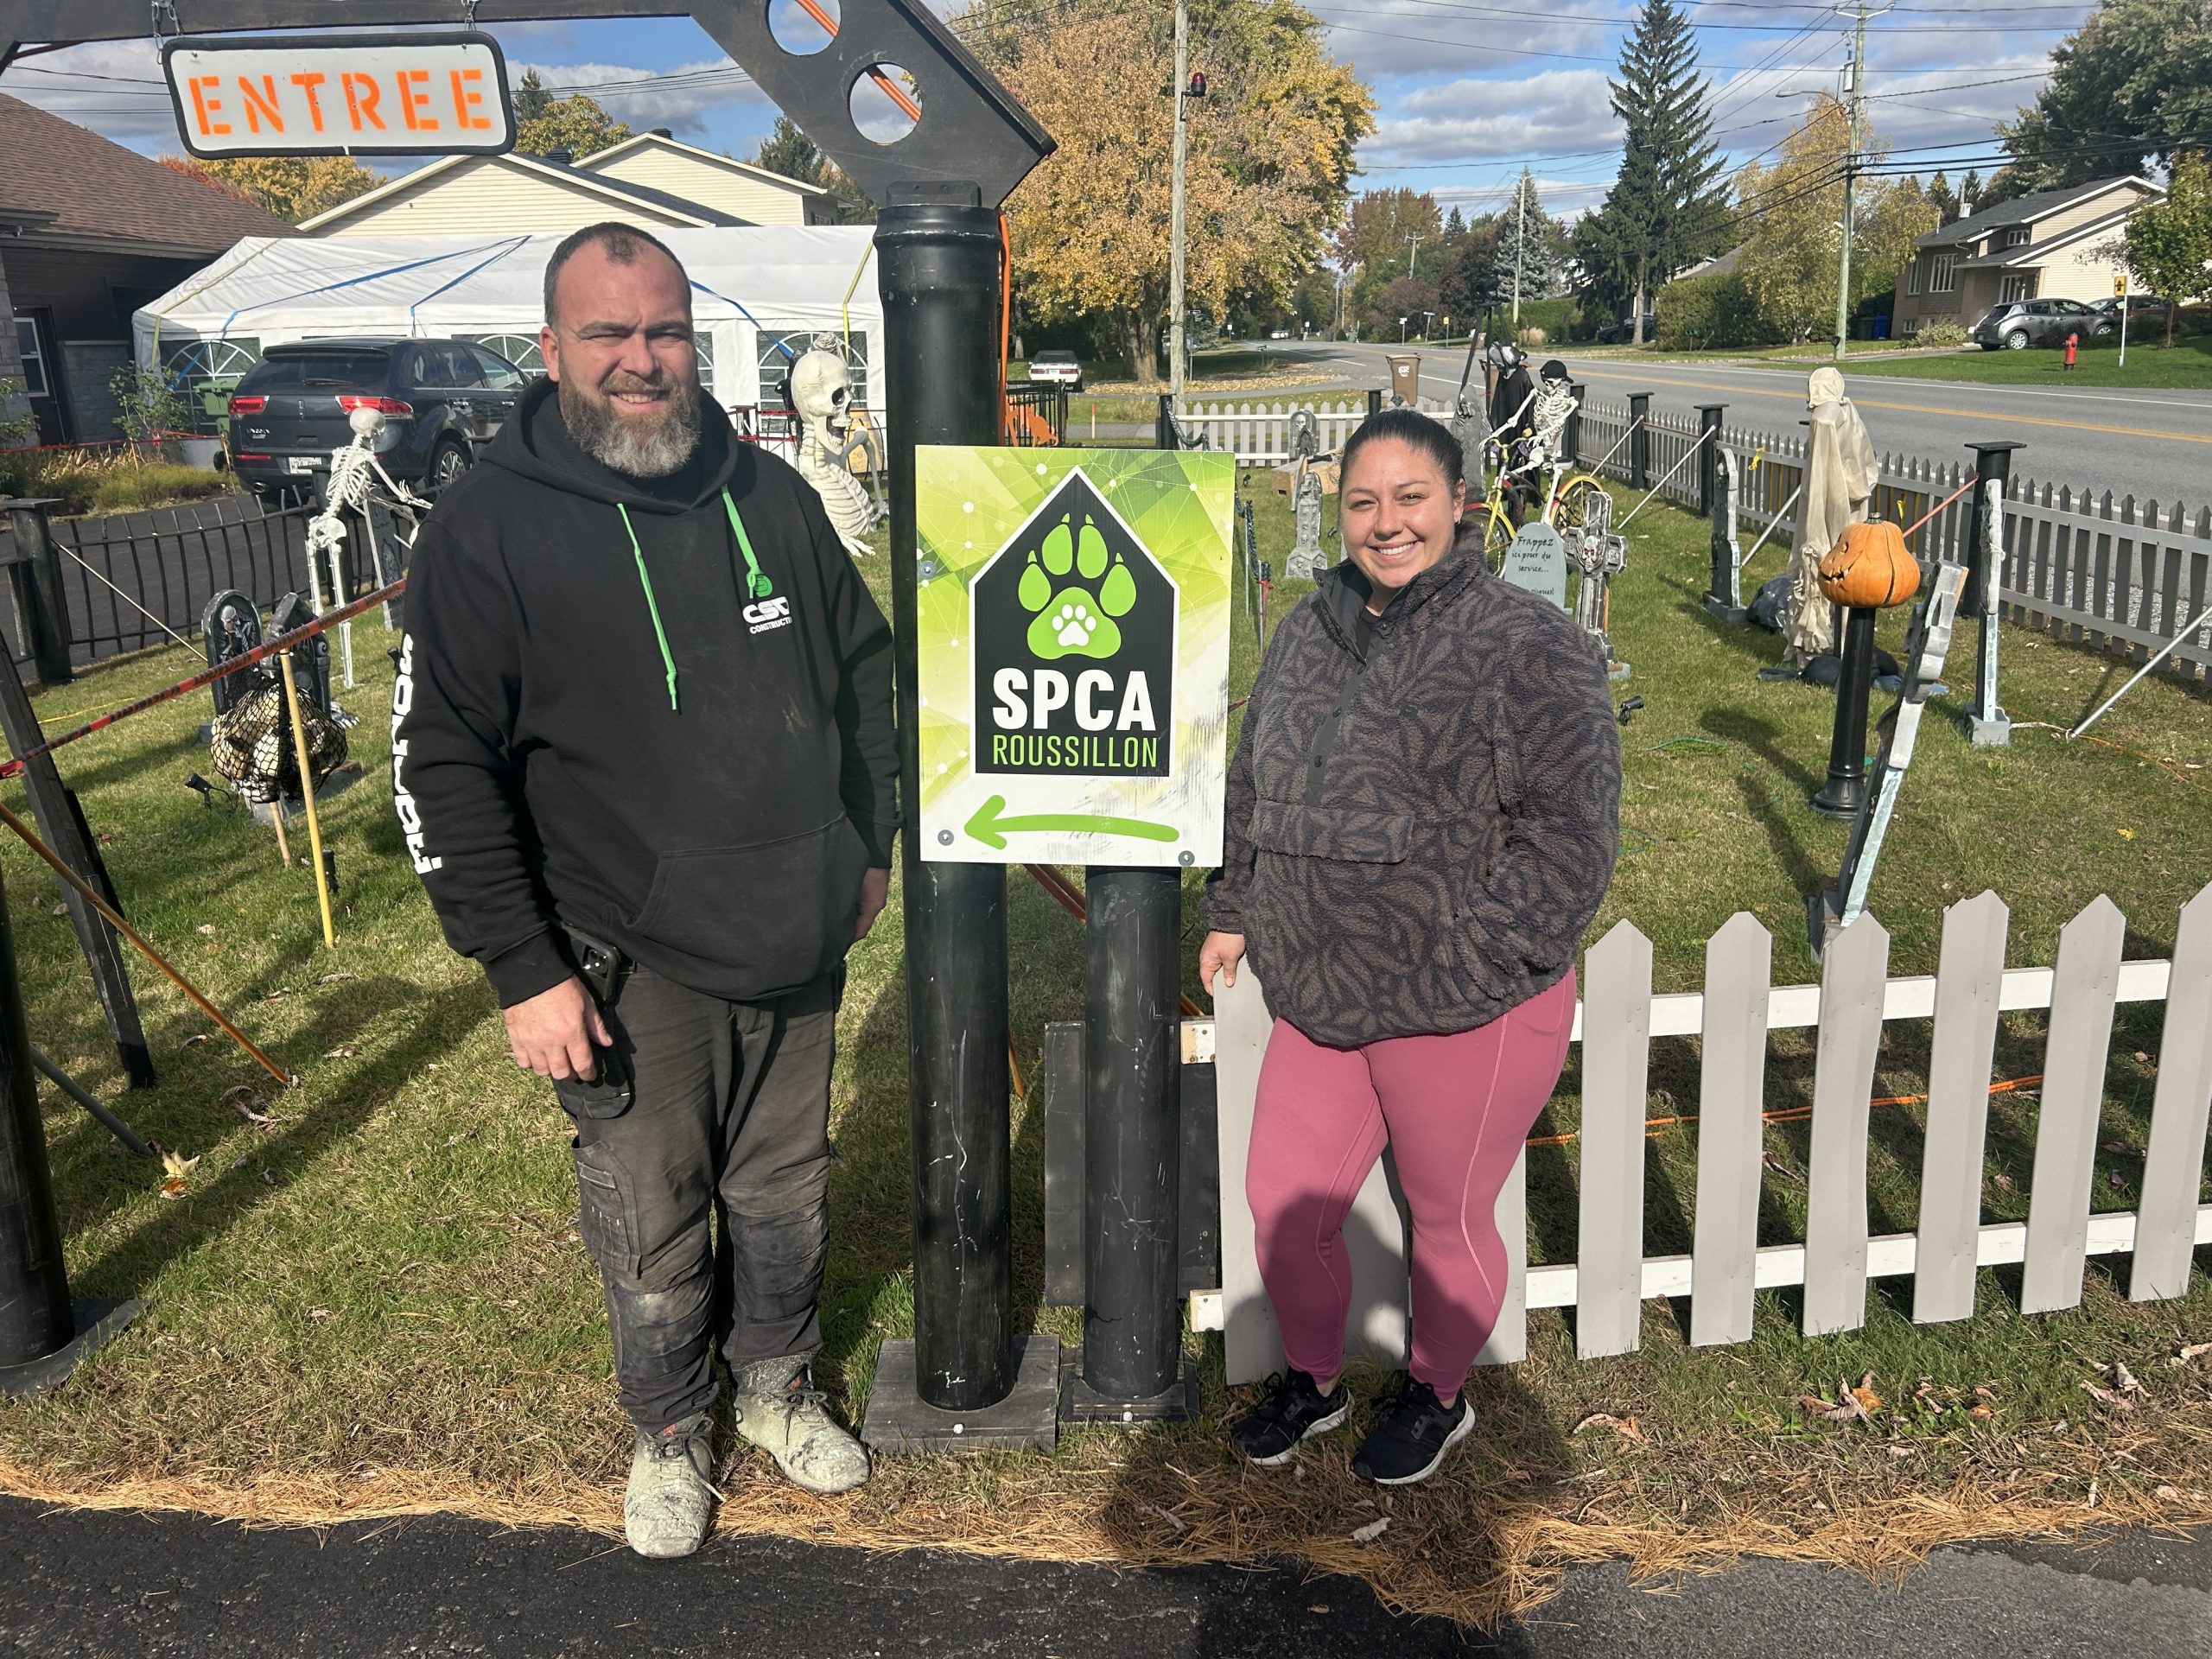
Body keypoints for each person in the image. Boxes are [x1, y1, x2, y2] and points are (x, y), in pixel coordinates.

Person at [393, 221, 897, 1558]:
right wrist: (523, 969)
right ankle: (672, 1430)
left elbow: (865, 676)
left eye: (664, 331)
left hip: (794, 931)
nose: (640, 359)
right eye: (607, 333)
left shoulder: (767, 496)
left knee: (785, 1195)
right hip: (622, 957)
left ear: (693, 342)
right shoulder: (488, 528)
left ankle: (777, 1388)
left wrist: (869, 840)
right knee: (654, 1221)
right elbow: (441, 764)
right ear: (552, 347)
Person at [1201, 409, 1620, 1485]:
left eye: (1409, 498)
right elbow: (1254, 779)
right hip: (1322, 990)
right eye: (1362, 502)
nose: (1385, 523)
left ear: (1459, 504)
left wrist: (1481, 953)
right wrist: (1234, 905)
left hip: (1462, 1001)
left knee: (1445, 1217)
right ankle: (1314, 1382)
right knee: (1280, 1205)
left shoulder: (1530, 644)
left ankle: (1438, 1393)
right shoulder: (1307, 630)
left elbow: (1571, 833)